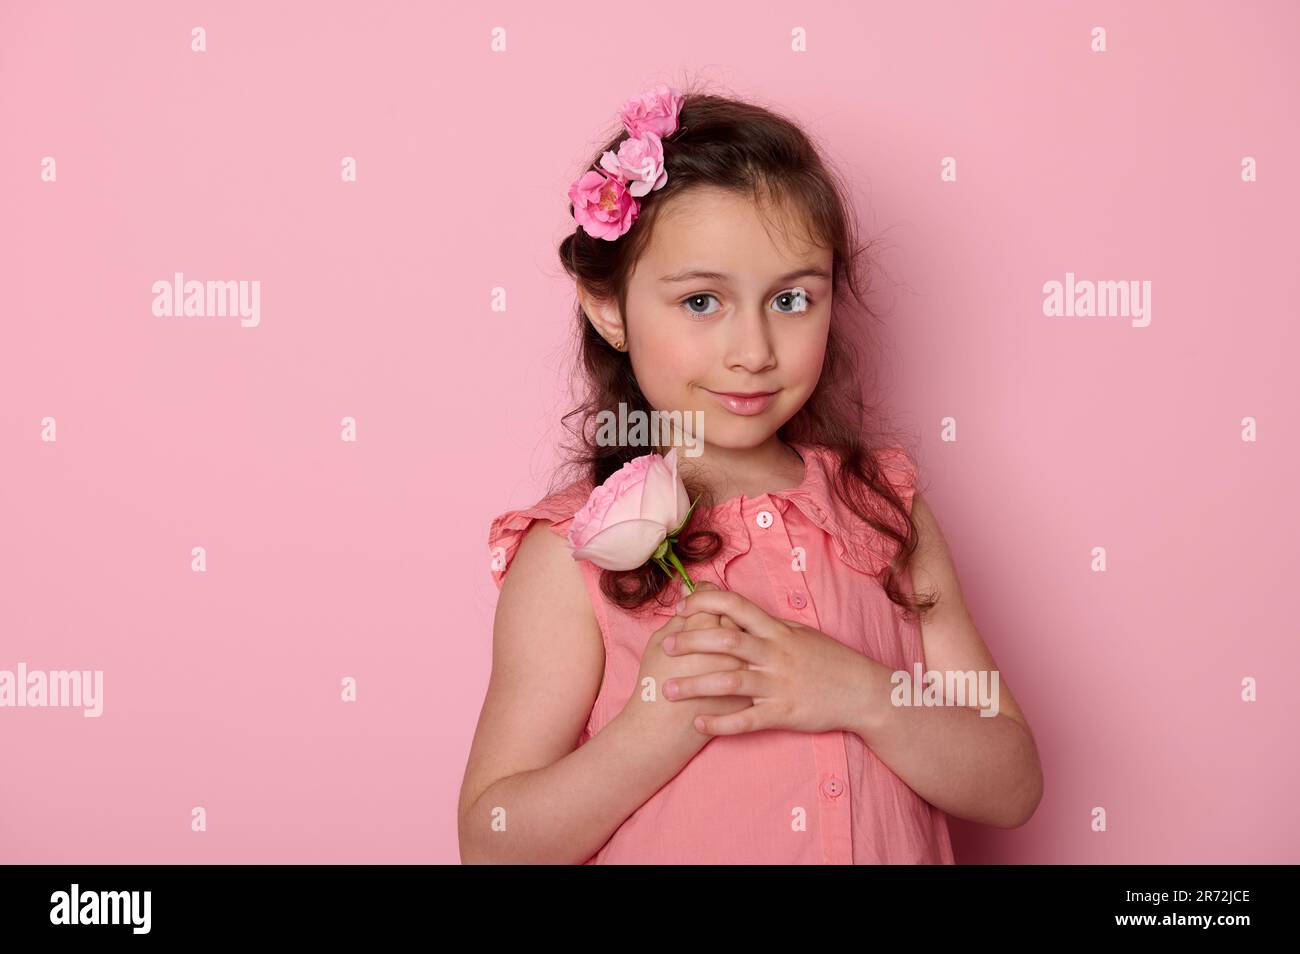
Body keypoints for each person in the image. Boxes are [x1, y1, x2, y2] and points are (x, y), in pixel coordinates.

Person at [458, 83, 1042, 864]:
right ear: (609, 307)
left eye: (793, 298)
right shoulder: (571, 553)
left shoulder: (883, 508)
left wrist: (866, 695)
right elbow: (494, 844)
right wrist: (653, 726)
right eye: (702, 301)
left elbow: (1011, 783)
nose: (755, 350)